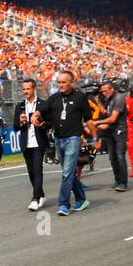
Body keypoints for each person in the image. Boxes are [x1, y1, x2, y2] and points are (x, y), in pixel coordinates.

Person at [45, 71, 92, 216]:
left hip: (73, 138)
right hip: (59, 139)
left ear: (71, 83)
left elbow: (88, 119)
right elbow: (43, 111)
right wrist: (36, 115)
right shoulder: (53, 99)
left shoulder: (80, 97)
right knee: (69, 173)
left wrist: (95, 138)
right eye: (59, 82)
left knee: (66, 173)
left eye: (64, 82)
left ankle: (64, 204)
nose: (61, 85)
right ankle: (82, 198)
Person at [13, 77, 48, 210]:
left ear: (34, 88)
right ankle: (41, 195)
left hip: (39, 142)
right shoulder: (20, 106)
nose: (26, 91)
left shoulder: (43, 104)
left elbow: (50, 123)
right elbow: (16, 127)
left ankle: (35, 198)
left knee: (37, 170)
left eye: (28, 89)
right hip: (26, 143)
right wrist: (22, 122)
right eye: (24, 89)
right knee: (31, 172)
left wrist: (42, 124)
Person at [96, 79, 129, 192]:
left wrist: (98, 123)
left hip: (119, 130)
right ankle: (117, 181)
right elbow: (106, 113)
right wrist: (97, 101)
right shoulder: (108, 99)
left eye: (105, 91)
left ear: (112, 89)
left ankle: (123, 183)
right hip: (111, 130)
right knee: (112, 158)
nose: (104, 93)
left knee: (120, 156)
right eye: (102, 91)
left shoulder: (119, 98)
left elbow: (113, 118)